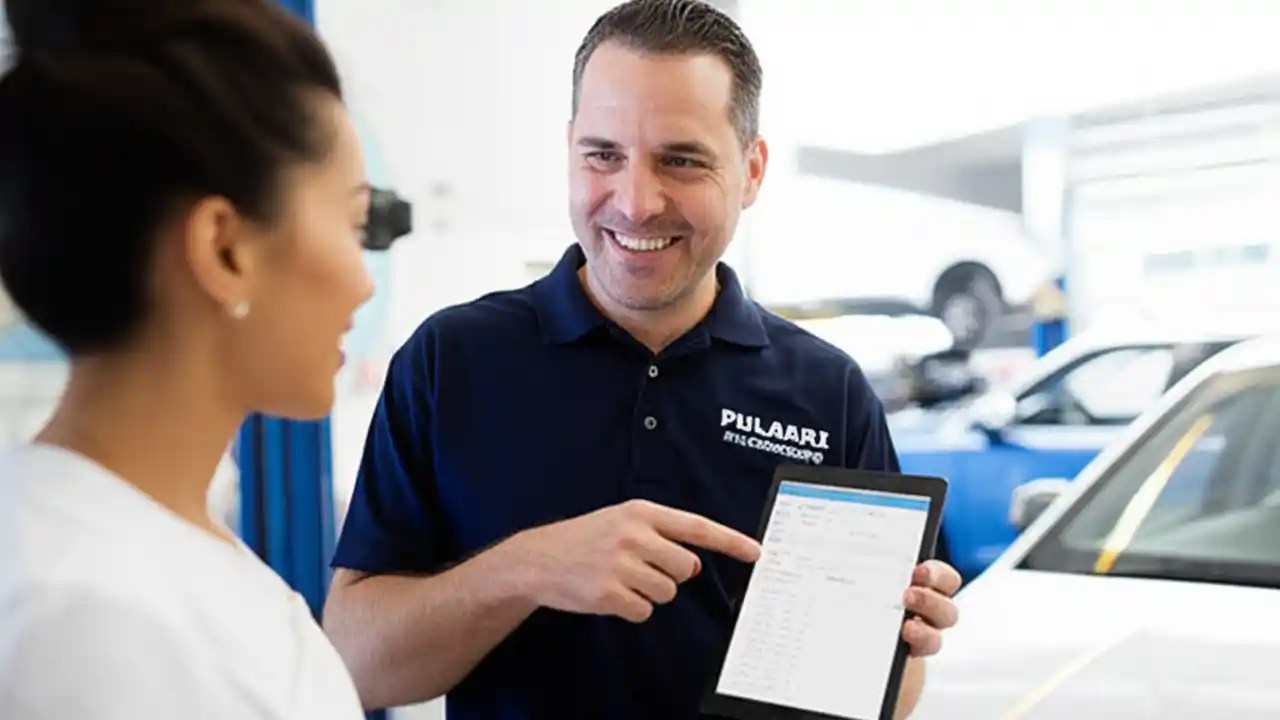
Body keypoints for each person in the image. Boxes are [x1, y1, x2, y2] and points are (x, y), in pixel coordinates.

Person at [322, 0, 961, 718]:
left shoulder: (828, 392)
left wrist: (893, 650)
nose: (635, 202)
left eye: (681, 160)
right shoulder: (451, 363)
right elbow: (354, 667)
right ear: (569, 149)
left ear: (750, 171)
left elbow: (881, 694)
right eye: (604, 155)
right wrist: (526, 569)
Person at [0, 1, 373, 717]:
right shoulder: (85, 620)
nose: (363, 280)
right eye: (354, 224)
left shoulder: (142, 558)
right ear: (224, 249)